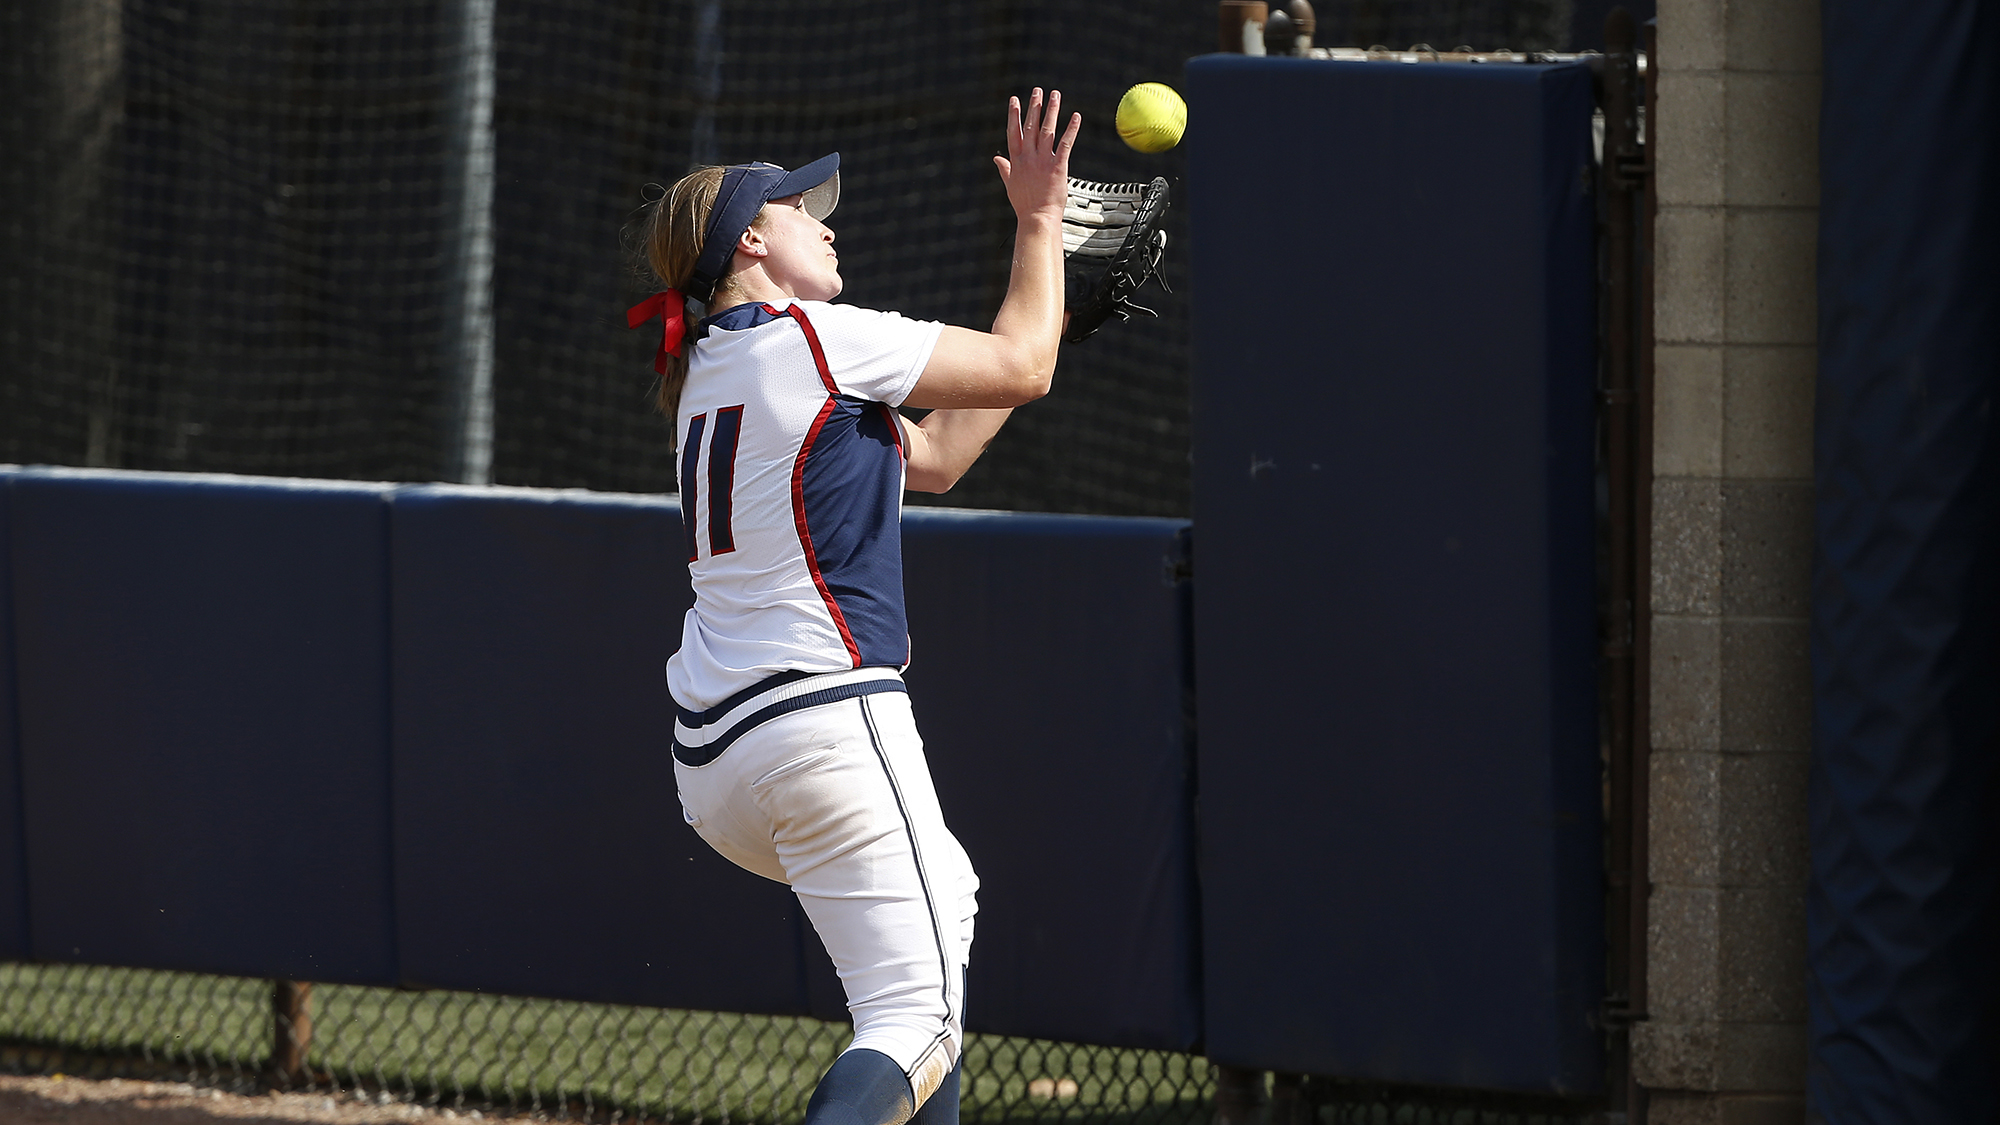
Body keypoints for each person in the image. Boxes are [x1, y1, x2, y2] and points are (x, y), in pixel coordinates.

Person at [626, 89, 1080, 1125]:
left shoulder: (704, 370)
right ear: (751, 239)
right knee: (916, 1015)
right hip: (820, 726)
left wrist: (1052, 302)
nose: (824, 223)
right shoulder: (818, 338)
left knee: (928, 950)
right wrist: (1041, 224)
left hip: (719, 761)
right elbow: (1021, 366)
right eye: (799, 209)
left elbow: (935, 456)